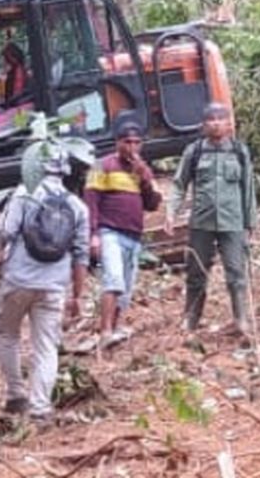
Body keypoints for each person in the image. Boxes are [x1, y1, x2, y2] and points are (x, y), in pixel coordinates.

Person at [0, 141, 90, 425]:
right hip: (54, 287)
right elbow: (81, 255)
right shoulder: (77, 206)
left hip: (18, 280)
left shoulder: (24, 195)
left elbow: (2, 235)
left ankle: (15, 395)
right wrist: (77, 296)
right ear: (65, 170)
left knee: (6, 334)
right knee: (46, 346)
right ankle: (40, 408)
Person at [164, 102, 256, 337]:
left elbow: (248, 189)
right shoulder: (194, 151)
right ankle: (191, 320)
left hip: (232, 223)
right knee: (196, 273)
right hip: (201, 223)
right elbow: (179, 184)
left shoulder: (238, 151)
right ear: (203, 125)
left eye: (220, 119)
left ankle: (241, 320)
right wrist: (170, 213)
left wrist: (250, 224)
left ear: (229, 124)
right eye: (210, 120)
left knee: (236, 273)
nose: (215, 123)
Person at [85, 114, 162, 349]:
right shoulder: (102, 166)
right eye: (127, 142)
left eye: (136, 142)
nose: (132, 147)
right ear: (117, 143)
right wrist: (93, 234)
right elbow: (91, 201)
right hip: (110, 232)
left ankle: (117, 327)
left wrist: (145, 177)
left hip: (133, 235)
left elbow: (153, 203)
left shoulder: (142, 170)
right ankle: (105, 330)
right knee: (114, 280)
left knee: (126, 287)